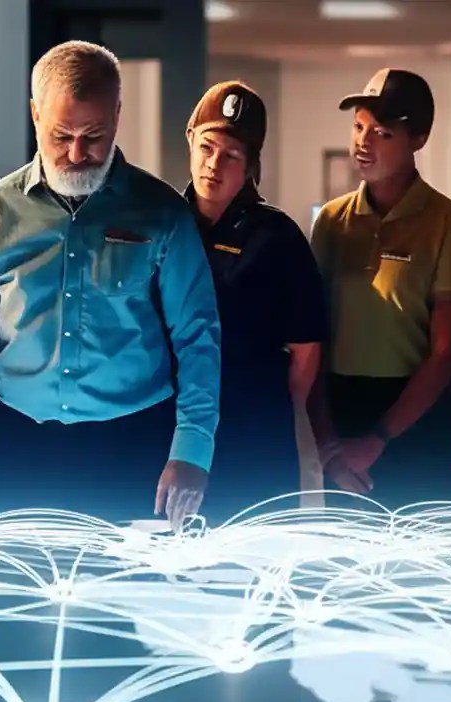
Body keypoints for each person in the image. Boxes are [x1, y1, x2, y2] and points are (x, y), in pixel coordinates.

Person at [0, 41, 221, 529]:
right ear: (35, 115)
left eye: (94, 135)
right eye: (61, 136)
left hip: (133, 450)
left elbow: (198, 339)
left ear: (118, 115)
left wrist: (192, 451)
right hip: (14, 445)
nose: (77, 153)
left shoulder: (164, 214)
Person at [309, 68, 451, 511]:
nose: (363, 143)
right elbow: (314, 337)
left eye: (382, 133)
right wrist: (329, 441)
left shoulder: (448, 224)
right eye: (359, 128)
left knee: (421, 574)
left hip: (413, 425)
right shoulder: (331, 221)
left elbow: (445, 355)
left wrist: (378, 439)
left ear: (418, 139)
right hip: (343, 416)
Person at [181, 80, 327, 514]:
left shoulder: (277, 237)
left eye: (231, 156)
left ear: (249, 167)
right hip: (176, 433)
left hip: (254, 433)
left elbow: (305, 352)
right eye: (207, 148)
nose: (214, 165)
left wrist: (263, 407)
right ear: (190, 140)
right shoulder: (163, 224)